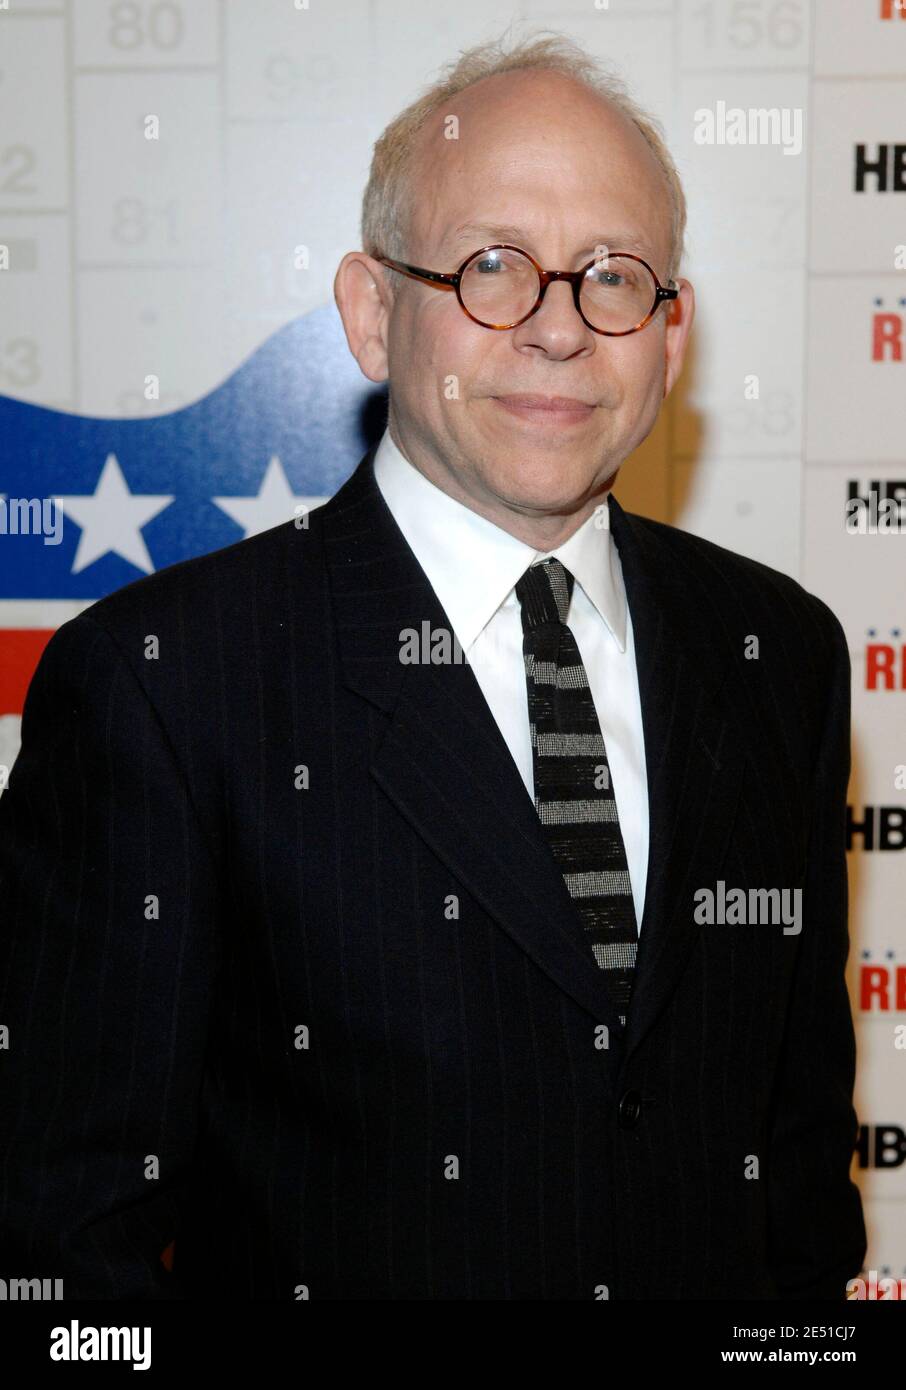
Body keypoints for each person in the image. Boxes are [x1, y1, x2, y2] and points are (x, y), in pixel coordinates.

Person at [0, 32, 865, 1300]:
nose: (561, 330)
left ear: (670, 338)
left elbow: (795, 1187)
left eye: (614, 277)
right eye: (493, 267)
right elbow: (60, 1254)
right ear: (370, 311)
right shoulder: (163, 685)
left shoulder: (779, 651)